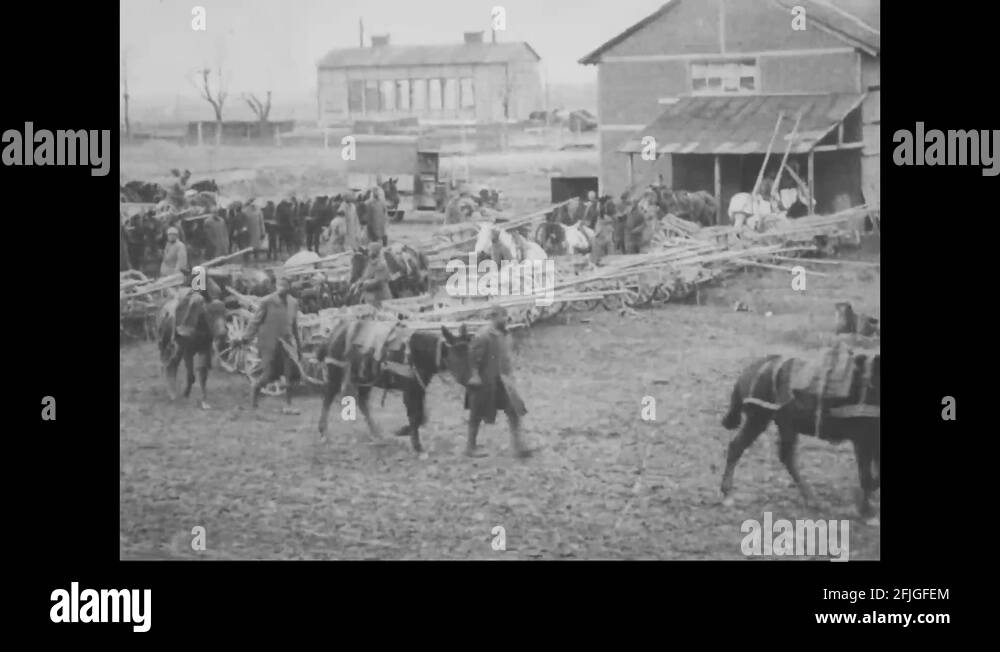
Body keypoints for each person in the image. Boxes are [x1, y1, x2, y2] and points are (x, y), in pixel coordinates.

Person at [464, 305, 533, 459]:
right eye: (503, 316)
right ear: (495, 317)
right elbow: (472, 356)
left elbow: (505, 356)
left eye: (506, 316)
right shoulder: (483, 335)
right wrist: (475, 376)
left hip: (502, 381)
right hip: (485, 382)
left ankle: (519, 447)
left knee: (514, 410)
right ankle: (470, 447)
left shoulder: (502, 334)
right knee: (476, 414)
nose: (506, 319)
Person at [239, 275, 302, 415]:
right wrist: (246, 337)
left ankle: (288, 405)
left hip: (287, 343)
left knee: (289, 374)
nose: (282, 288)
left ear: (289, 287)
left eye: (285, 285)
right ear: (276, 286)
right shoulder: (267, 301)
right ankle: (254, 395)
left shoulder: (293, 303)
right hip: (270, 342)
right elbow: (256, 321)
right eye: (280, 285)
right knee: (268, 375)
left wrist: (298, 345)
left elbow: (294, 325)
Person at [354, 241, 392, 307]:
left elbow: (378, 281)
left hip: (380, 297)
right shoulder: (370, 263)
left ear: (374, 252)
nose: (368, 252)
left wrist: (364, 283)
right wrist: (358, 282)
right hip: (370, 298)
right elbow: (365, 276)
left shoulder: (381, 265)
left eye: (369, 250)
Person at [590, 200, 616, 265]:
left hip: (606, 239)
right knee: (598, 260)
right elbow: (603, 220)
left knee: (610, 258)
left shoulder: (609, 219)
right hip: (599, 240)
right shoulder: (601, 218)